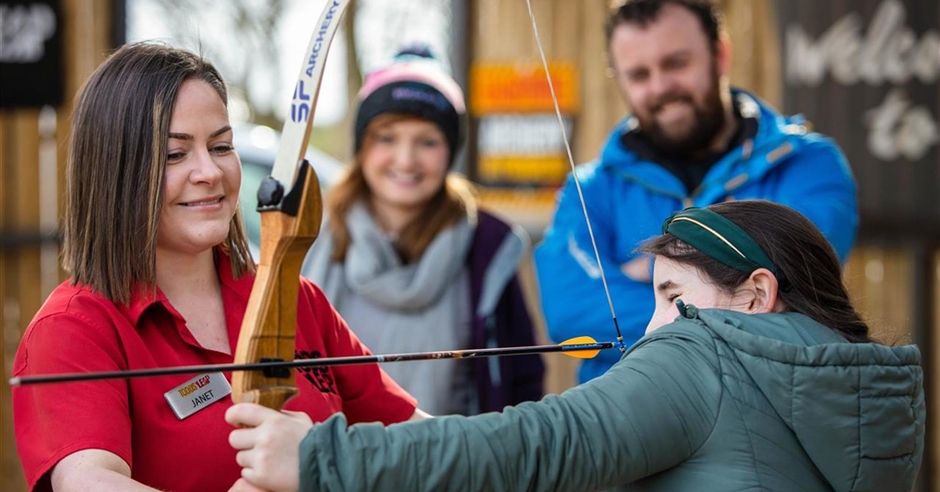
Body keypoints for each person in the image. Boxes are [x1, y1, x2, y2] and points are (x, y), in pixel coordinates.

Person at [227, 200, 924, 492]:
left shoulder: (706, 356)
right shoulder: (860, 398)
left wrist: (321, 459)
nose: (656, 328)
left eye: (674, 298)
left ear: (756, 295)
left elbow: (536, 446)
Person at [11, 42, 427, 492]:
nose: (209, 171)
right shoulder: (73, 328)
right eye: (175, 154)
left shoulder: (295, 298)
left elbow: (416, 438)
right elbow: (88, 482)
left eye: (221, 146)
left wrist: (504, 444)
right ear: (117, 171)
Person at [534, 0, 859, 384]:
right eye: (639, 74)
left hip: (763, 419)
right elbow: (570, 311)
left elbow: (792, 288)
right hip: (629, 425)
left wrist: (649, 270)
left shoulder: (805, 163)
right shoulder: (588, 191)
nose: (660, 88)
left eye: (676, 64)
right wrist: (717, 280)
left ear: (720, 54)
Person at [300, 48, 545, 416]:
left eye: (427, 141)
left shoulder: (487, 248)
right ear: (362, 146)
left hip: (453, 465)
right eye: (387, 138)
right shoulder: (310, 233)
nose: (406, 159)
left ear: (450, 152)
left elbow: (522, 381)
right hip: (335, 464)